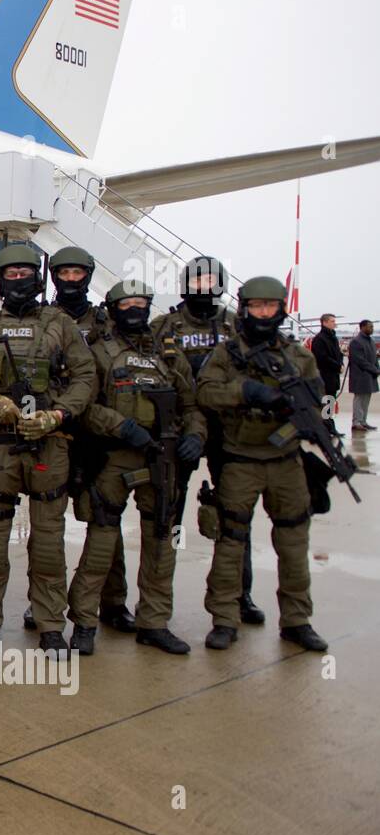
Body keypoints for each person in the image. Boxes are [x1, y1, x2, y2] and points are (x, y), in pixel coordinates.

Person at [0, 244, 96, 654]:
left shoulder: (60, 324)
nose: (19, 280)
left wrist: (59, 415)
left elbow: (85, 377)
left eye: (26, 273)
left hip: (48, 445)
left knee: (49, 542)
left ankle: (51, 624)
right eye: (11, 274)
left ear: (39, 277)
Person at [67, 280, 202, 656]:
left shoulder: (168, 355)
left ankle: (154, 622)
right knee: (101, 539)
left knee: (162, 540)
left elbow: (192, 406)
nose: (134, 308)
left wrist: (194, 437)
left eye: (141, 301)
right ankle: (84, 621)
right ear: (111, 308)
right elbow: (83, 405)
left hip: (163, 458)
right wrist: (122, 427)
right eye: (125, 302)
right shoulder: (97, 353)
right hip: (115, 456)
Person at [196, 277, 328, 652]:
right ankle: (224, 617)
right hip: (240, 460)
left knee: (293, 542)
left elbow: (314, 401)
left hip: (285, 461)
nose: (263, 313)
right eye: (256, 306)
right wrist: (245, 392)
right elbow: (205, 392)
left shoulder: (299, 356)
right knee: (230, 542)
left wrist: (296, 415)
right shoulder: (227, 354)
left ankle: (297, 620)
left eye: (270, 306)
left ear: (281, 308)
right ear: (245, 308)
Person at [152, 256, 264, 626]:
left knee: (234, 515)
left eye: (209, 282)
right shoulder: (164, 326)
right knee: (167, 516)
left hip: (228, 433)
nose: (203, 288)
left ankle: (238, 596)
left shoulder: (235, 325)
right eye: (196, 281)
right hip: (178, 431)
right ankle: (155, 601)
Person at [43, 246, 132, 633]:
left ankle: (113, 601)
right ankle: (44, 603)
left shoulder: (106, 322)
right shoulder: (43, 319)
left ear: (89, 276)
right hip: (54, 427)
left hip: (96, 429)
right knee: (49, 527)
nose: (70, 280)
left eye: (78, 273)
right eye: (63, 273)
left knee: (104, 518)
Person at [311, 314, 344, 431]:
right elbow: (322, 358)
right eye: (332, 321)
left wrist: (341, 364)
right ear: (324, 322)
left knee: (330, 400)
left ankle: (329, 425)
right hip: (325, 377)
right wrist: (337, 365)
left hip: (333, 377)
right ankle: (326, 427)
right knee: (326, 401)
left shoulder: (333, 338)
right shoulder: (319, 339)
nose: (334, 323)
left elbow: (338, 354)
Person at [348, 319, 379, 432]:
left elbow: (374, 358)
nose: (372, 329)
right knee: (359, 399)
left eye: (372, 327)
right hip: (360, 376)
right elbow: (360, 361)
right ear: (362, 327)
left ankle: (363, 421)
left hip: (369, 375)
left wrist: (376, 368)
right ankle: (356, 422)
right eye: (370, 327)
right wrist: (374, 370)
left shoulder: (370, 341)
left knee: (366, 399)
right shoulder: (356, 342)